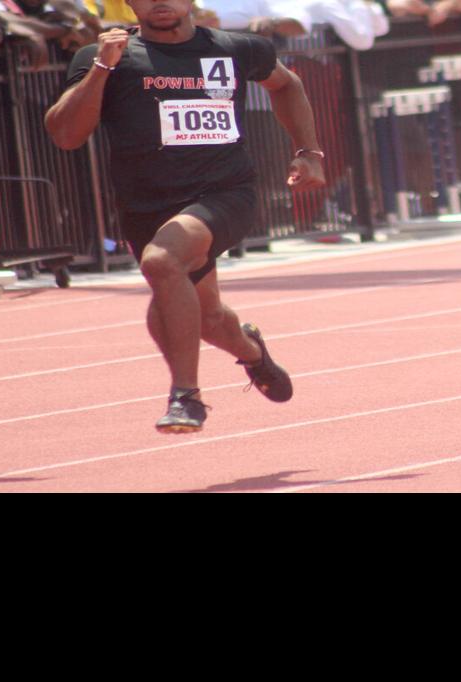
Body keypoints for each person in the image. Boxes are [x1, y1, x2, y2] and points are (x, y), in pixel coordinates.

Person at [45, 0, 325, 433]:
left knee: (162, 261)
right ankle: (253, 353)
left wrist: (308, 153)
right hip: (147, 206)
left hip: (225, 193)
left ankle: (185, 397)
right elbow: (65, 135)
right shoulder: (102, 57)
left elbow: (287, 85)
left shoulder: (237, 49)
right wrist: (102, 67)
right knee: (207, 318)